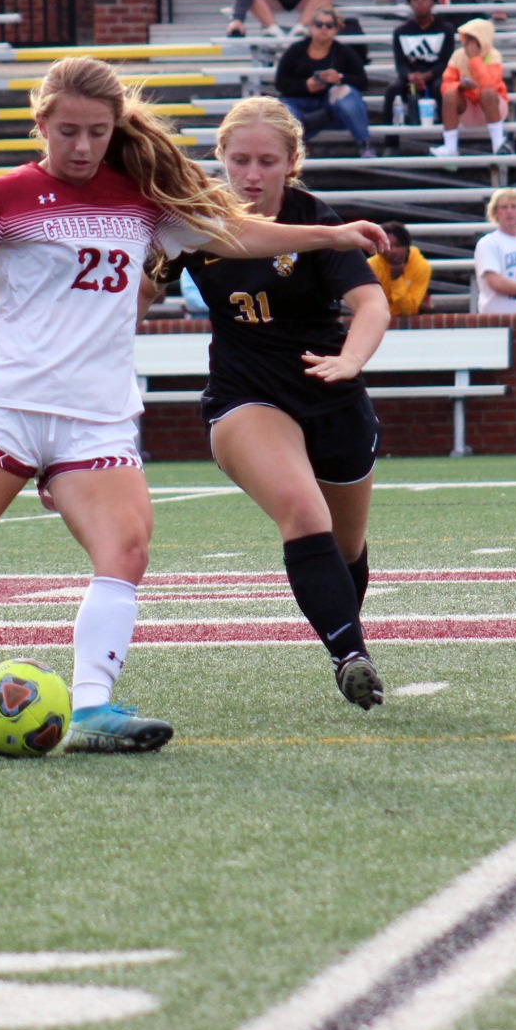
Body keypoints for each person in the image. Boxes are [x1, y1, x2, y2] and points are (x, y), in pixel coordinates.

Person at [0, 57, 389, 753]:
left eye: (96, 132)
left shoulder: (143, 198)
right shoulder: (7, 195)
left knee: (125, 549)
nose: (81, 146)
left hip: (97, 415)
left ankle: (93, 709)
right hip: (5, 404)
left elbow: (232, 234)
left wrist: (333, 235)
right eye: (67, 130)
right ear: (40, 124)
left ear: (113, 130)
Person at [141, 98, 392, 707]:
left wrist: (351, 360)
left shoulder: (316, 220)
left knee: (345, 547)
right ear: (221, 158)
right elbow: (135, 295)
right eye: (240, 159)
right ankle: (350, 657)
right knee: (305, 515)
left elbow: (372, 305)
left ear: (291, 163)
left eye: (267, 162)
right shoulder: (195, 220)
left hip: (330, 394)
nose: (252, 174)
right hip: (245, 397)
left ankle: (344, 633)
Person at [275, 6, 373, 158]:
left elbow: (363, 82)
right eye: (319, 24)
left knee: (345, 92)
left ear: (336, 29)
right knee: (285, 112)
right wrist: (305, 86)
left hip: (330, 107)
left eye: (329, 25)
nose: (323, 29)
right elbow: (280, 83)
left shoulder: (344, 52)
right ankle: (289, 154)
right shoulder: (296, 50)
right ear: (311, 27)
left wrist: (340, 78)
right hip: (297, 103)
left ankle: (365, 144)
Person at [428, 17, 511, 157]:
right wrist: (460, 86)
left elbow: (490, 84)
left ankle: (498, 144)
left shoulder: (494, 56)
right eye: (466, 38)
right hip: (468, 109)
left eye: (473, 39)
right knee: (450, 94)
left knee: (488, 93)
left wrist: (474, 59)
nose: (468, 43)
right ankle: (450, 147)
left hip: (492, 108)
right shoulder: (458, 56)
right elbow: (446, 84)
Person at [387, 0, 451, 131]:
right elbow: (400, 64)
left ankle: (446, 139)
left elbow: (445, 62)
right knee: (392, 90)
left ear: (433, 1)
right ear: (409, 2)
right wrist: (410, 76)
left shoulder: (445, 28)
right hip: (411, 78)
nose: (420, 1)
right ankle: (391, 142)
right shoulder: (400, 32)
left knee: (441, 88)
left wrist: (427, 75)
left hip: (436, 76)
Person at [367, 220, 431, 315]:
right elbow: (369, 308)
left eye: (398, 245)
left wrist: (396, 279)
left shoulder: (421, 266)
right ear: (380, 248)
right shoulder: (370, 267)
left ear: (407, 246)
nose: (394, 251)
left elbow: (408, 310)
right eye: (388, 246)